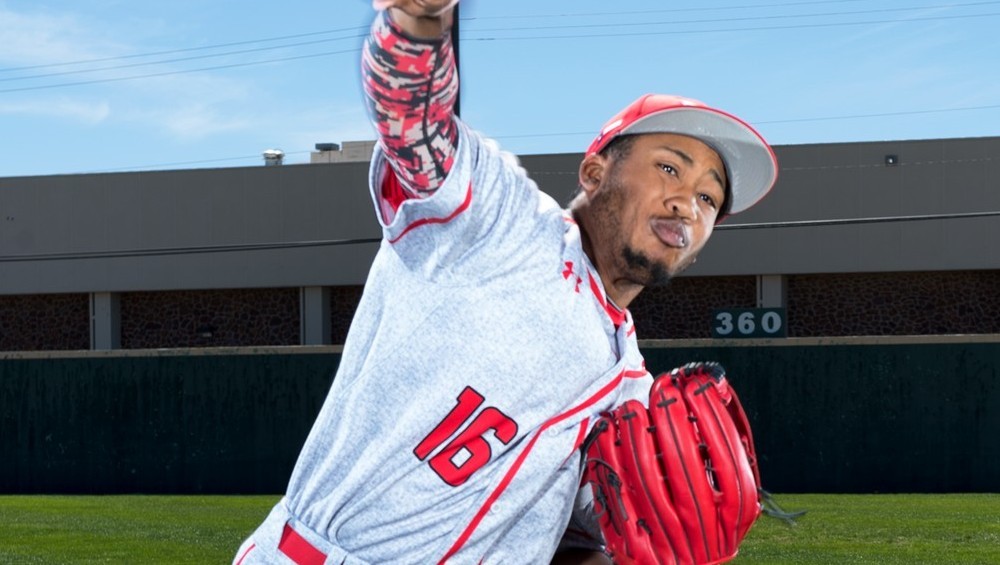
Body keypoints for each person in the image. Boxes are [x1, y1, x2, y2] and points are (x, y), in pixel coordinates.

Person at [234, 1, 777, 563]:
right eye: (669, 168)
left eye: (708, 198)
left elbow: (572, 545)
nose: (687, 203)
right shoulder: (502, 222)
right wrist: (417, 25)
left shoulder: (631, 391)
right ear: (594, 172)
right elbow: (417, 127)